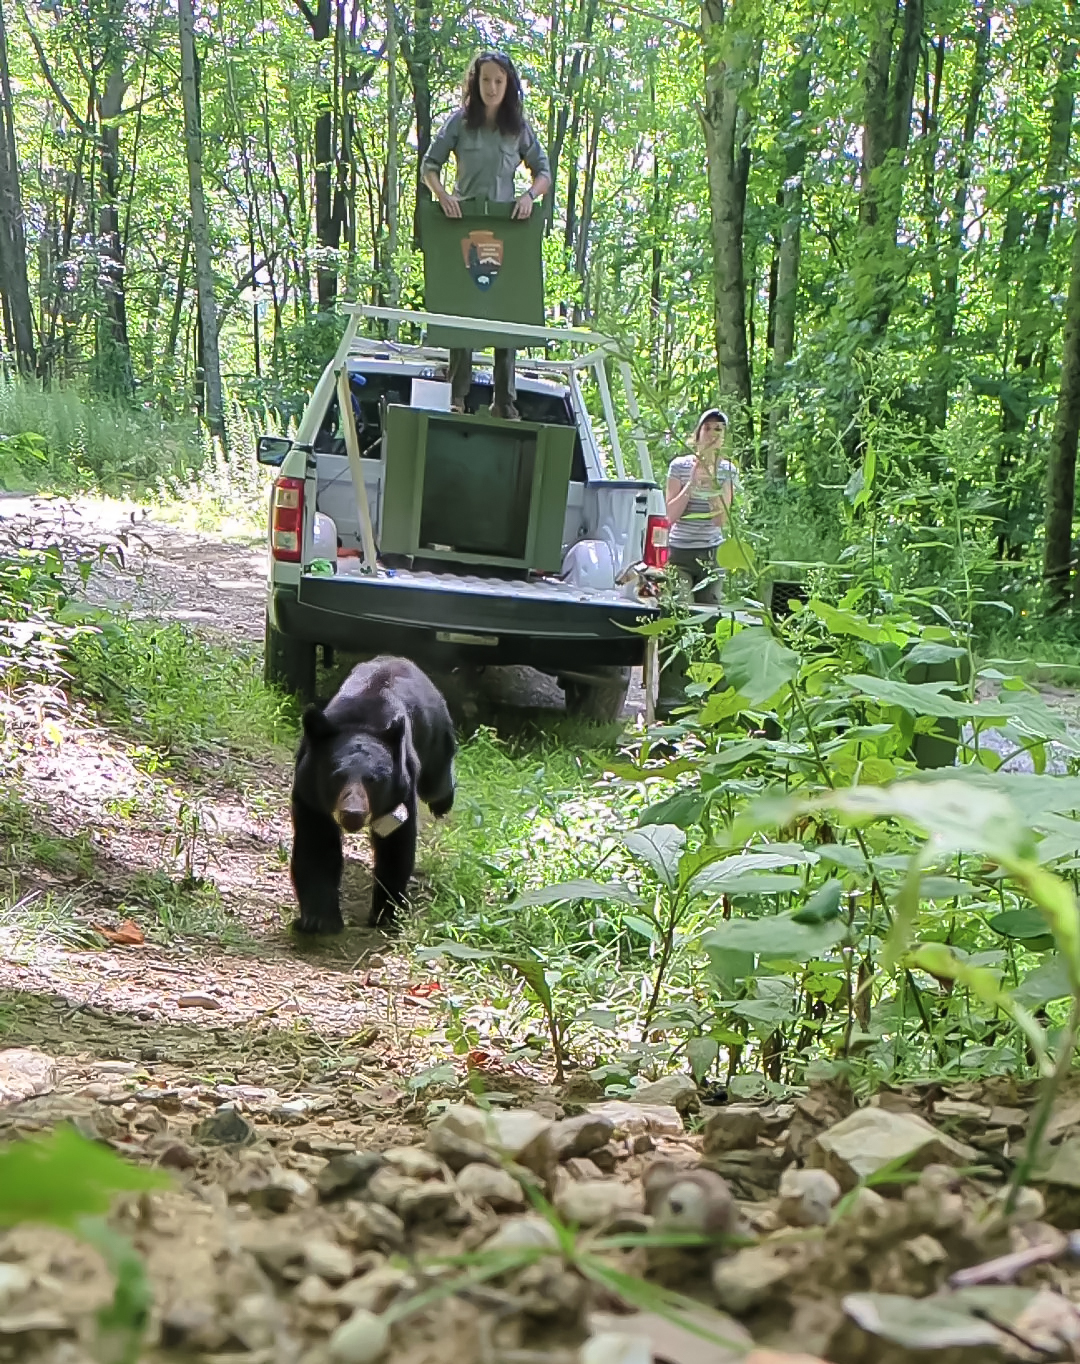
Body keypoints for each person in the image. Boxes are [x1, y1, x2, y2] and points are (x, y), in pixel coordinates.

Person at [420, 51, 551, 421]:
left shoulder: (517, 127)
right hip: (463, 224)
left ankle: (504, 400)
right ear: (475, 83)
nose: (492, 87)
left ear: (508, 85)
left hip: (505, 228)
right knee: (463, 309)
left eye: (499, 81)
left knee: (506, 311)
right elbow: (429, 165)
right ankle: (457, 395)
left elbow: (544, 171)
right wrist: (442, 195)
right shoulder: (460, 123)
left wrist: (529, 196)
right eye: (486, 80)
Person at [657, 408, 739, 717]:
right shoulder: (679, 466)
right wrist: (692, 483)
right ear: (698, 433)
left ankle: (705, 697)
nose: (713, 434)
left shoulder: (727, 470)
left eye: (719, 429)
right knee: (678, 617)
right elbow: (669, 516)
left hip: (711, 555)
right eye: (708, 428)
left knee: (710, 623)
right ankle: (671, 696)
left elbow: (721, 520)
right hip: (679, 553)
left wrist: (713, 482)